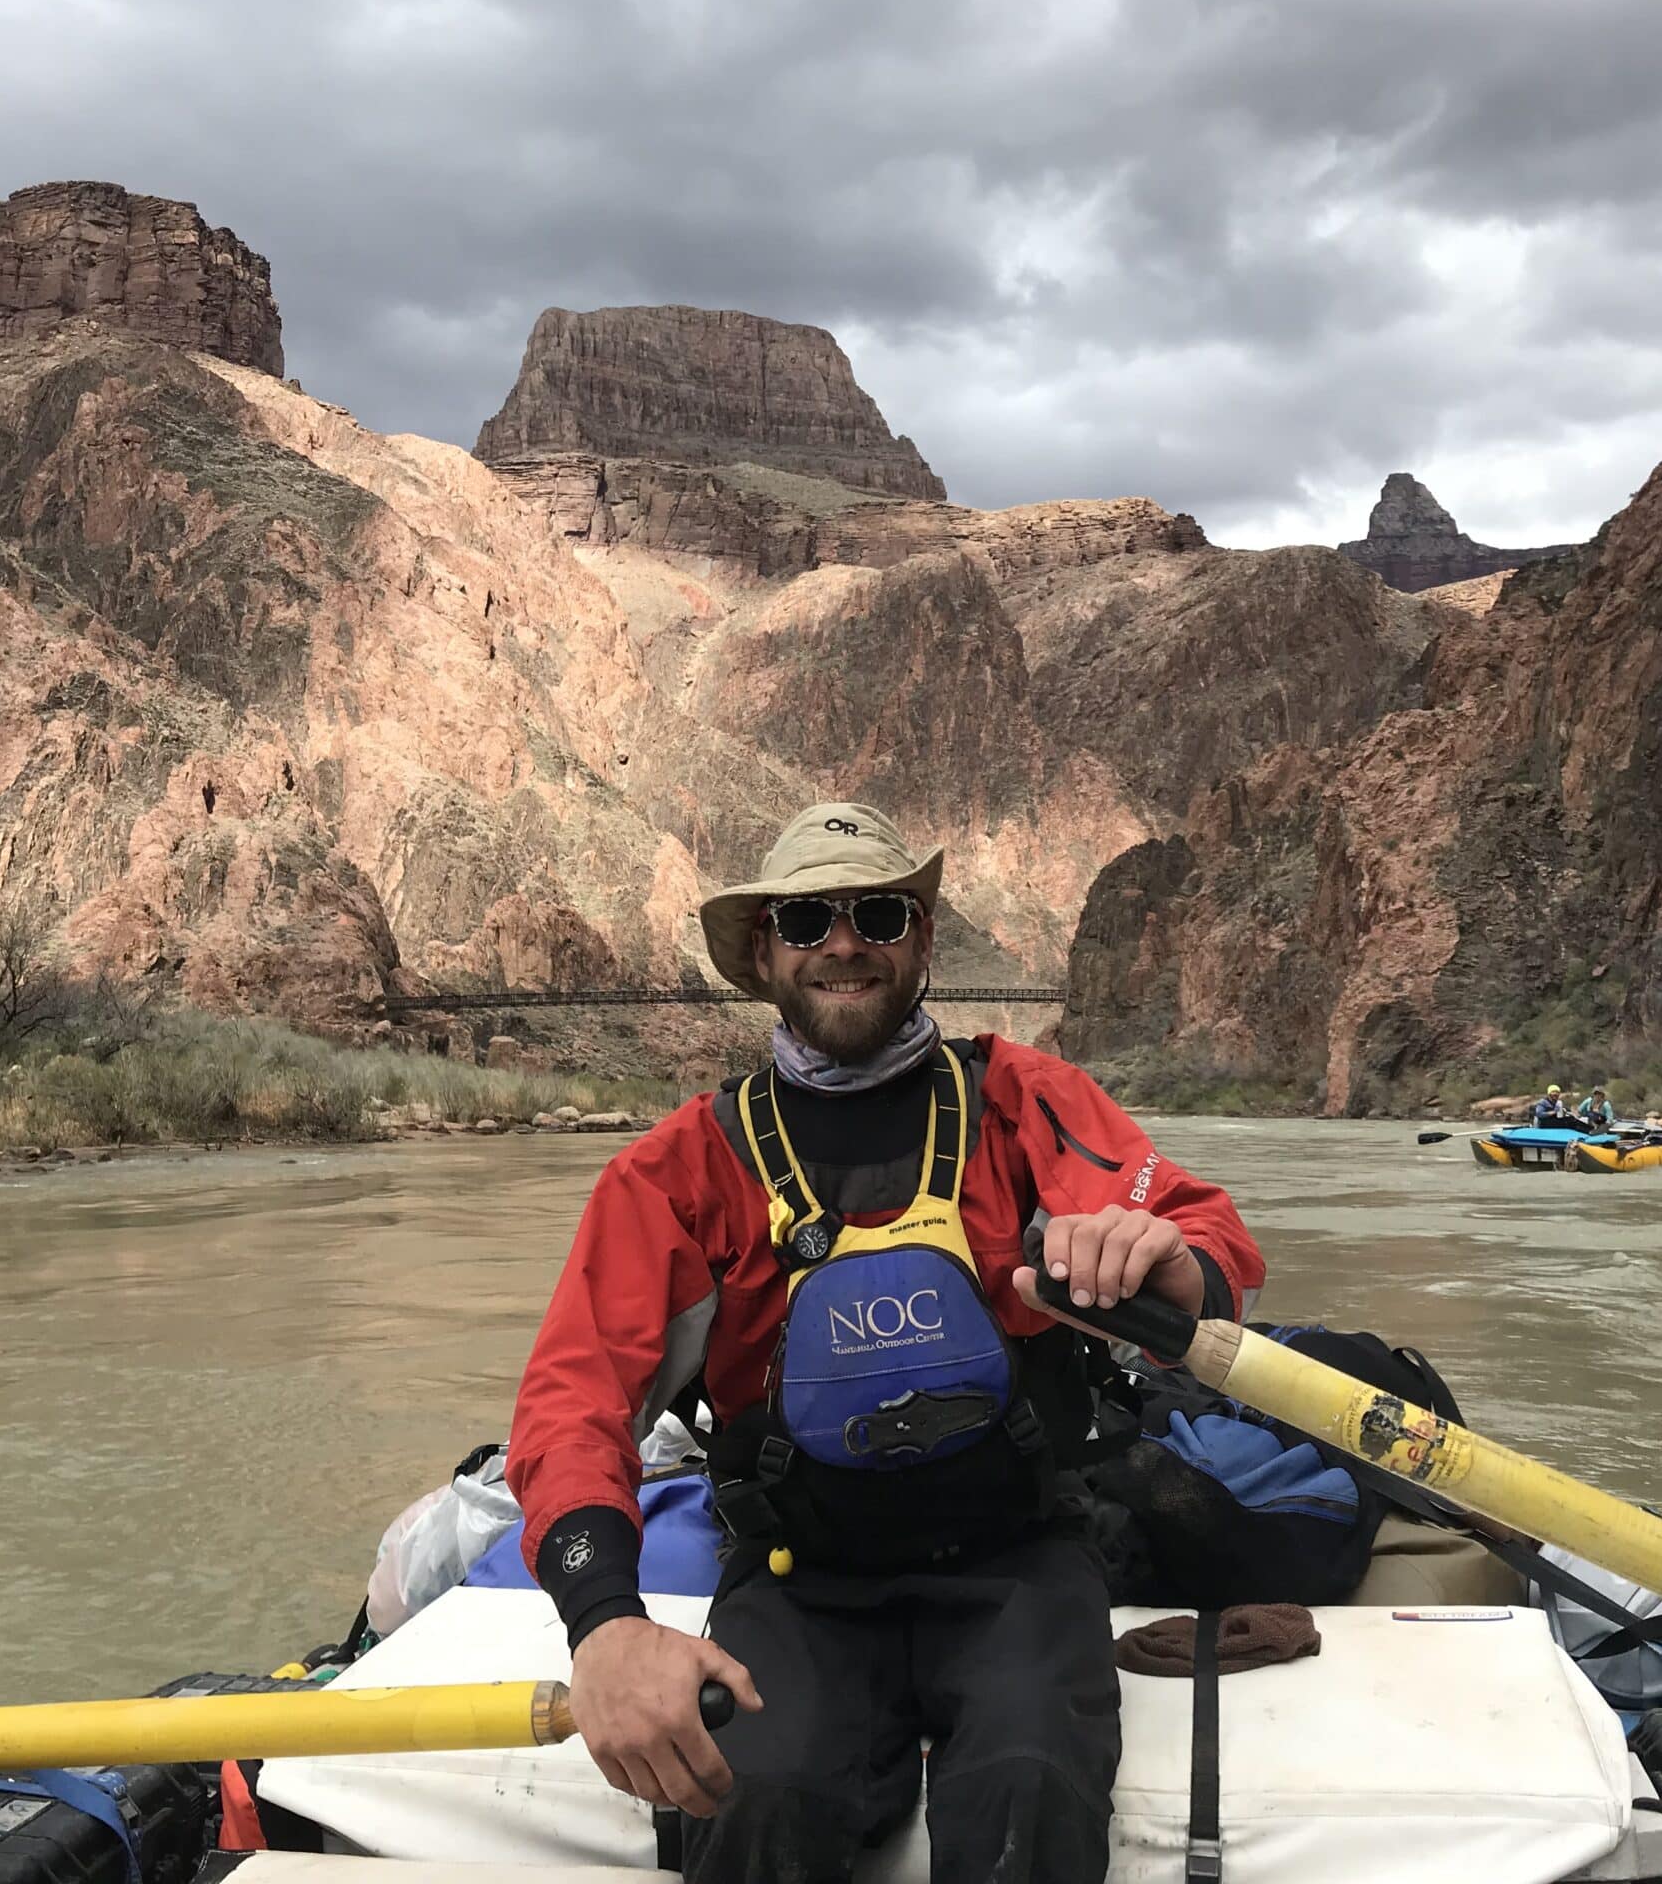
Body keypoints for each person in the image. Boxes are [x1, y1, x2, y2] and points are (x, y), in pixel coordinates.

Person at [506, 802, 1266, 1883]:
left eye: (876, 912)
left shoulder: (1025, 1100)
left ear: (919, 936)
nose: (843, 942)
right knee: (755, 1802)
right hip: (797, 1580)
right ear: (765, 950)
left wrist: (1161, 1258)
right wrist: (601, 1622)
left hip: (1018, 1565)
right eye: (808, 918)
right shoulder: (674, 1171)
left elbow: (1210, 1241)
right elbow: (572, 1405)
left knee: (1028, 1789)